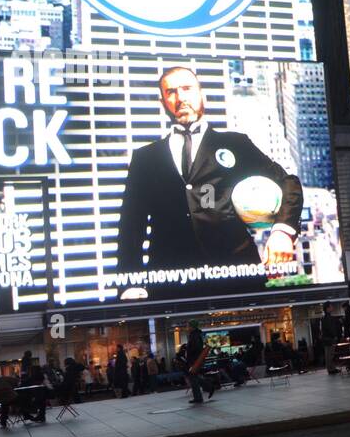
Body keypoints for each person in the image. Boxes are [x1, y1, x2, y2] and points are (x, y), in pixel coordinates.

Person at [116, 66, 304, 281]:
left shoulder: (236, 143)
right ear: (163, 103)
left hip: (237, 275)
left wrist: (282, 231)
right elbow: (131, 225)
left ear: (201, 94)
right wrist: (129, 283)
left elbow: (288, 182)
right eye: (171, 92)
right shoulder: (145, 158)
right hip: (170, 281)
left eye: (187, 88)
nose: (180, 97)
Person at [185, 321, 214, 403]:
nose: (187, 327)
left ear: (192, 326)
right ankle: (201, 394)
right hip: (195, 360)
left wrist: (189, 352)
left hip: (195, 360)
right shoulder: (194, 334)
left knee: (192, 377)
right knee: (193, 377)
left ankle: (208, 388)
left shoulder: (195, 335)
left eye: (188, 325)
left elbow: (197, 348)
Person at [321, 301, 342, 374]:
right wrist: (335, 336)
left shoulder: (324, 317)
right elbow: (331, 328)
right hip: (330, 339)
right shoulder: (328, 317)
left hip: (326, 339)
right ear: (327, 308)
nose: (332, 307)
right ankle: (331, 369)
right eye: (331, 306)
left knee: (328, 354)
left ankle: (330, 368)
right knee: (330, 354)